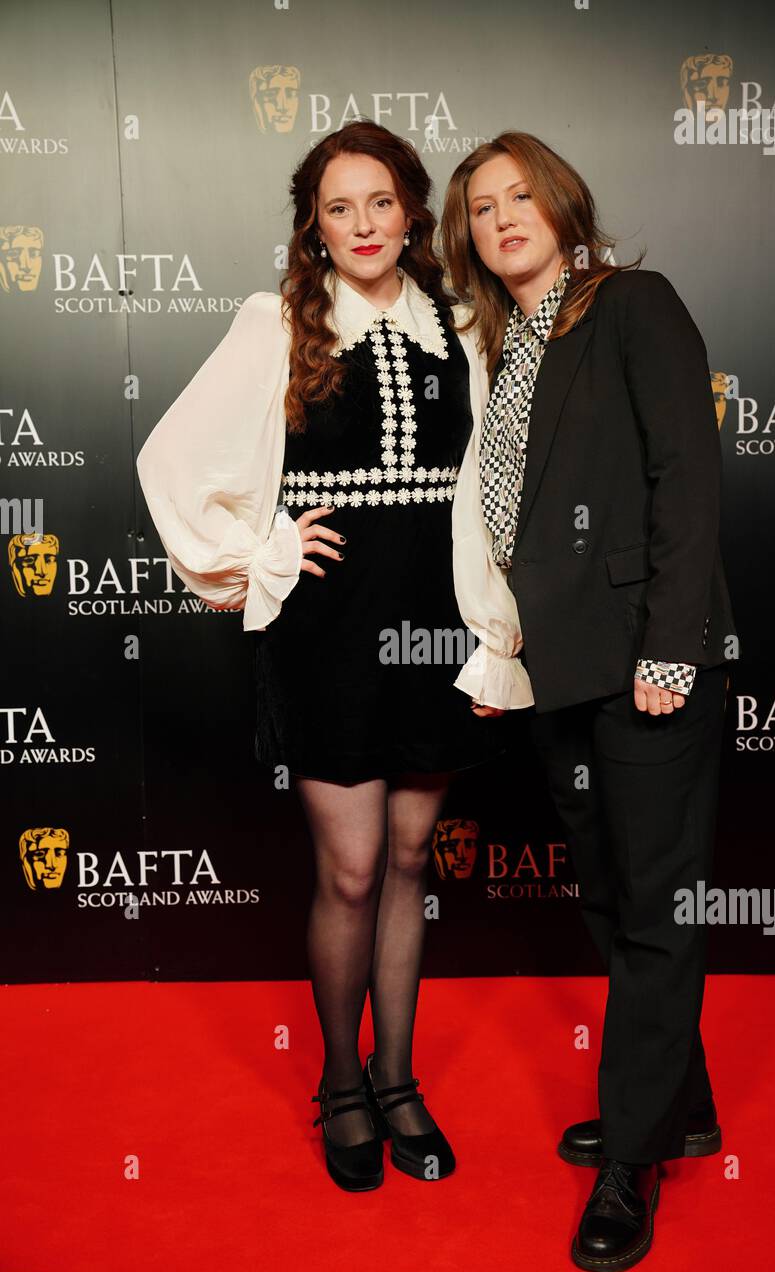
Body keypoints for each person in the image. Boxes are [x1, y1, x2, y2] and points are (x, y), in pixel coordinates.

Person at [136, 120, 532, 1195]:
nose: (362, 225)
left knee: (408, 862)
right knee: (350, 868)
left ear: (412, 212)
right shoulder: (277, 323)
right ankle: (343, 1084)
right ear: (314, 225)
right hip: (330, 628)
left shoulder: (460, 321)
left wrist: (496, 627)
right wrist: (257, 552)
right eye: (337, 207)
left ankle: (401, 1081)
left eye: (380, 203)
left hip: (434, 620)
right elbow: (168, 458)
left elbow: (488, 486)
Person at [443, 130, 737, 1272]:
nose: (502, 216)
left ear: (563, 203)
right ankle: (677, 1107)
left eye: (521, 195)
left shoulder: (629, 304)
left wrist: (671, 647)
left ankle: (631, 1158)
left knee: (654, 908)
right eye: (479, 206)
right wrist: (498, 651)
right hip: (554, 668)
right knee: (616, 899)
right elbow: (505, 521)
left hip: (646, 662)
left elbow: (685, 476)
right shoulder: (507, 341)